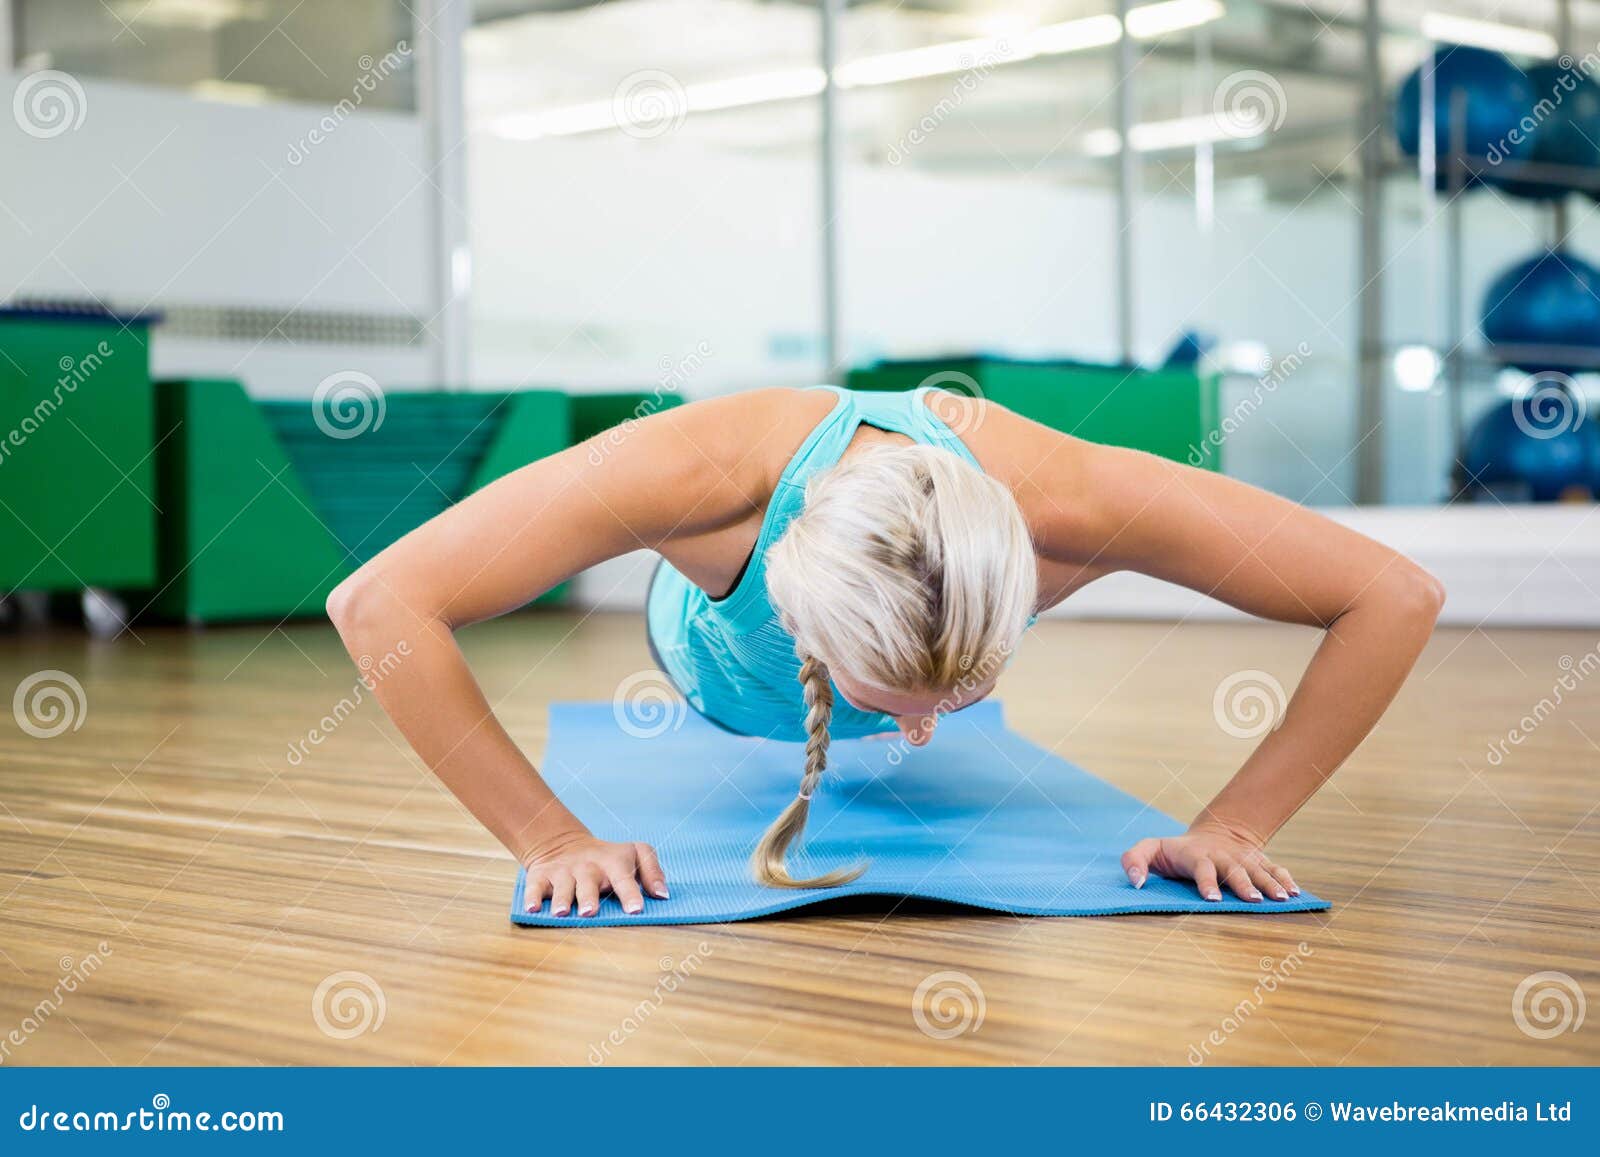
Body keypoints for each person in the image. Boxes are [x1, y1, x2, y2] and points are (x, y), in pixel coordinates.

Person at [327, 385, 1444, 917]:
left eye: (960, 692)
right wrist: (550, 835)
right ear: (795, 612)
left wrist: (1236, 824)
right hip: (714, 663)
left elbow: (1391, 593)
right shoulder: (692, 481)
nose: (915, 734)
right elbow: (380, 603)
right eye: (900, 700)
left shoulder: (1079, 502)